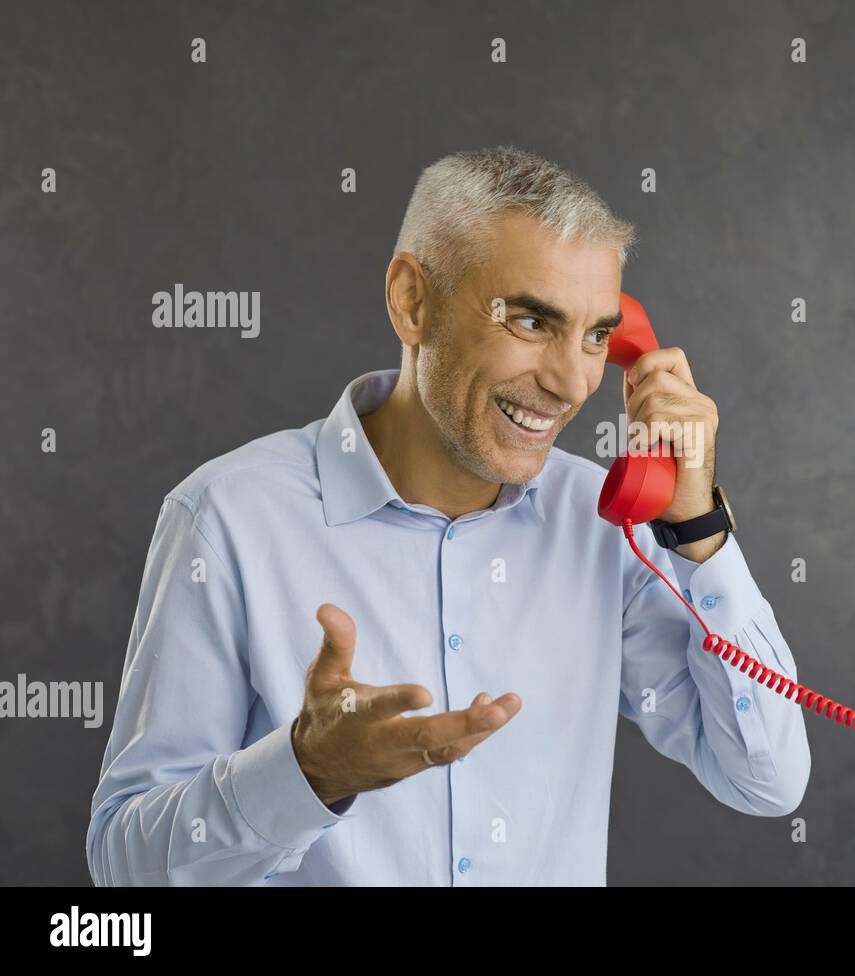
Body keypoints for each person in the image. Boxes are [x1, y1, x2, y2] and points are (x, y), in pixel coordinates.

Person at [87, 146, 810, 885]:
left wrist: (695, 527)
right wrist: (306, 775)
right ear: (413, 301)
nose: (570, 383)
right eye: (531, 320)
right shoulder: (226, 519)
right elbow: (126, 866)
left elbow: (765, 778)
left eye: (597, 335)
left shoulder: (603, 527)